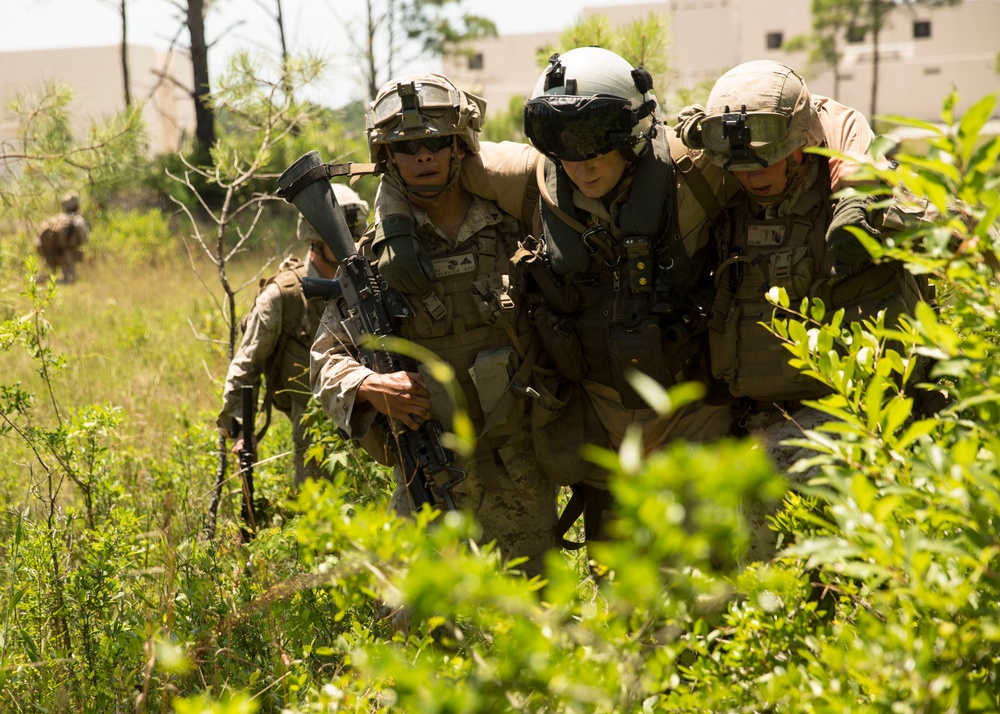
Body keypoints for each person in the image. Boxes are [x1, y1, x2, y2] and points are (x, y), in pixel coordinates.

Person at [675, 60, 928, 561]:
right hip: (751, 415)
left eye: (767, 160)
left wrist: (876, 206)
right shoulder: (725, 199)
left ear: (800, 145)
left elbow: (962, 230)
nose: (752, 176)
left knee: (764, 481)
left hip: (853, 415)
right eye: (740, 164)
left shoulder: (854, 187)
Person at [310, 73, 558, 579]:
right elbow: (325, 360)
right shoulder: (373, 258)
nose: (422, 157)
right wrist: (371, 385)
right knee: (414, 618)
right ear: (387, 157)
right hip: (428, 470)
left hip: (519, 471)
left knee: (535, 615)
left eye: (435, 143)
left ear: (459, 145)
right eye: (406, 148)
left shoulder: (516, 228)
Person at [218, 183, 369, 488]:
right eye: (341, 237)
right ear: (316, 239)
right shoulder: (282, 297)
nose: (350, 245)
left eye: (354, 237)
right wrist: (241, 428)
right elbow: (247, 364)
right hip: (312, 422)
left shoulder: (367, 287)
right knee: (316, 505)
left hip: (368, 416)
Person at [35, 192, 90, 284]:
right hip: (67, 255)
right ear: (77, 206)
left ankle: (47, 279)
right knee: (70, 280)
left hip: (49, 253)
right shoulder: (78, 220)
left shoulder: (55, 219)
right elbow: (85, 240)